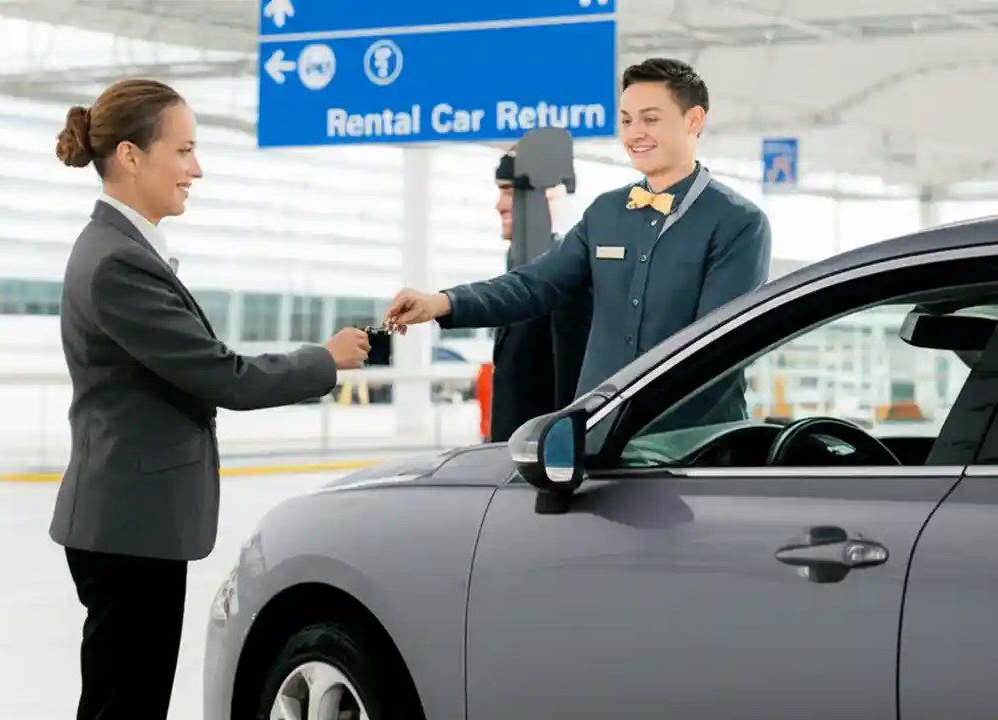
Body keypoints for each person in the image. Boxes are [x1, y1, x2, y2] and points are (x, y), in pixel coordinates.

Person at [48, 78, 370, 720]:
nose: (196, 169)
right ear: (131, 156)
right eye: (184, 150)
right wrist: (323, 360)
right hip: (128, 526)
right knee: (125, 704)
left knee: (125, 698)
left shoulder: (124, 249)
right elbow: (223, 375)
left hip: (131, 523)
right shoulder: (117, 262)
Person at [385, 58, 772, 429]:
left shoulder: (738, 223)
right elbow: (534, 284)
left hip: (691, 441)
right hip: (601, 436)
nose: (635, 133)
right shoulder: (606, 213)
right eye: (626, 120)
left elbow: (715, 346)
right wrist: (440, 303)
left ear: (694, 120)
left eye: (650, 119)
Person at [485, 146, 591, 442]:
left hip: (542, 456)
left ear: (550, 196)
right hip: (515, 454)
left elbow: (568, 386)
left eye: (511, 192)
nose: (499, 205)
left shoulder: (561, 277)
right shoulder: (520, 263)